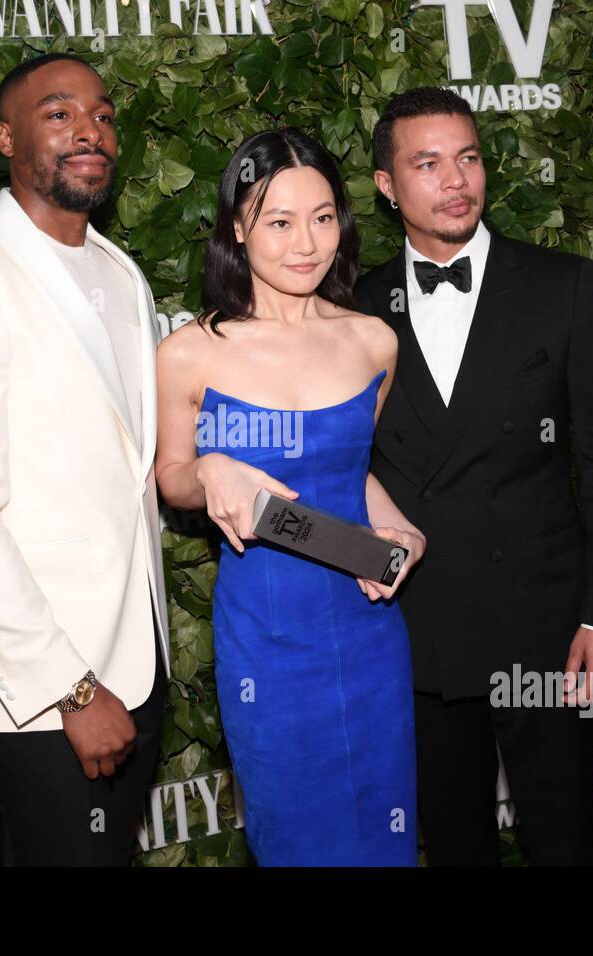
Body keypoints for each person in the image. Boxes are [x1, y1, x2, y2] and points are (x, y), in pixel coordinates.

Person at [353, 87, 593, 866]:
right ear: (387, 185)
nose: (456, 180)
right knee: (453, 844)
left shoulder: (563, 285)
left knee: (565, 839)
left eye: (469, 158)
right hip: (415, 631)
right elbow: (340, 470)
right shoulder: (353, 307)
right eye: (427, 164)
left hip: (546, 629)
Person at [0, 53, 169, 866]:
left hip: (133, 665)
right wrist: (69, 689)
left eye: (103, 115)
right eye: (59, 114)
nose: (90, 131)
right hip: (38, 692)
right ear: (7, 138)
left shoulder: (119, 272)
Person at [155, 129, 426, 866]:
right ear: (238, 229)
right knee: (295, 837)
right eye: (279, 221)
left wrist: (403, 531)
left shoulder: (373, 342)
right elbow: (171, 475)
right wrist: (210, 468)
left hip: (369, 630)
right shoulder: (190, 353)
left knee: (385, 835)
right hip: (268, 642)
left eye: (323, 217)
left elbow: (349, 469)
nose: (307, 244)